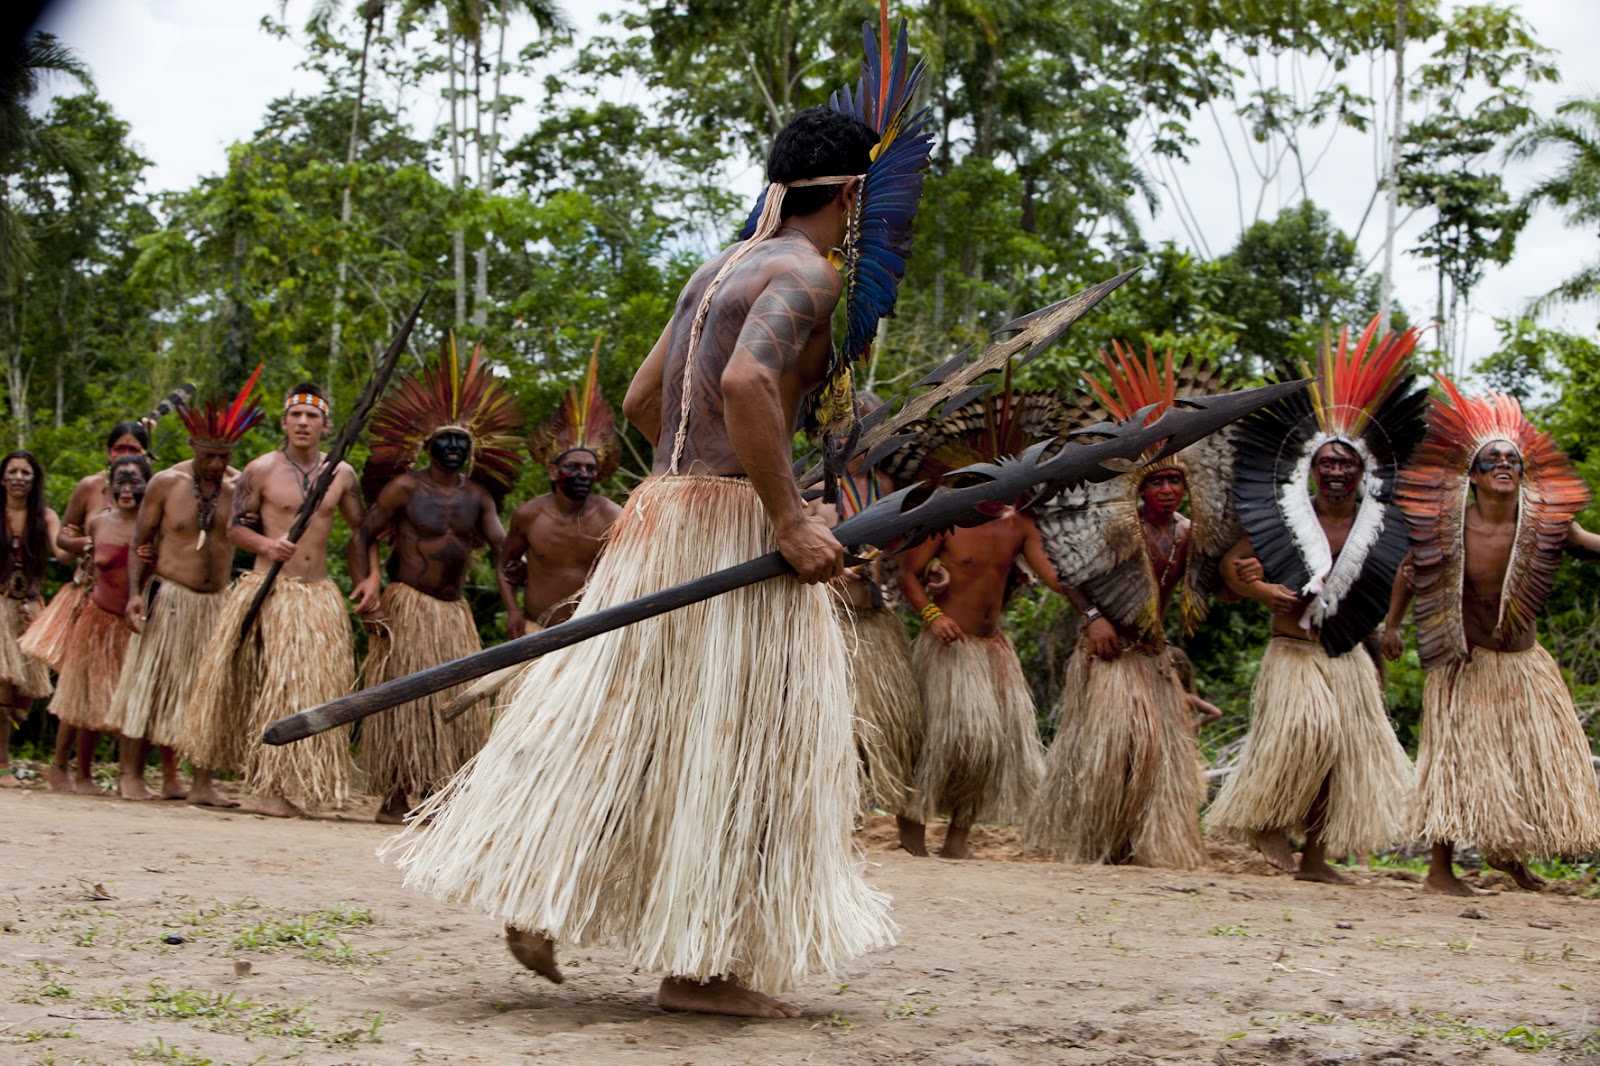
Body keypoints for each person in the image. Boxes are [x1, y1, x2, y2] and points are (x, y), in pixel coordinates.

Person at [385, 96, 927, 1017]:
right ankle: (705, 971)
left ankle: (537, 883)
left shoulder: (719, 267)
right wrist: (786, 513)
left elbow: (644, 400)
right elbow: (749, 380)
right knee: (745, 735)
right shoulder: (808, 273)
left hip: (663, 511)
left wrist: (703, 477)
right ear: (852, 193)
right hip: (729, 521)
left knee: (639, 722)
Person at [1207, 319, 1426, 883]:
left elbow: (1401, 570)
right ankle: (1266, 820)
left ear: (1362, 472)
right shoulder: (1284, 514)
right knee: (1309, 734)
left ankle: (1315, 858)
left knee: (1347, 756)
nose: (1336, 472)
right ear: (1312, 467)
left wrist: (1396, 624)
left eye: (1346, 465)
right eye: (1327, 463)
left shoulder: (1380, 524)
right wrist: (1261, 589)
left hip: (1346, 654)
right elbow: (1232, 565)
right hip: (1293, 652)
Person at [1384, 381, 1600, 896]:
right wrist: (1392, 624)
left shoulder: (1545, 523)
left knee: (1523, 765)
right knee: (1453, 763)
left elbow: (1592, 546)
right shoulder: (1447, 524)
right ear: (1473, 475)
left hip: (1523, 665)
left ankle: (1511, 859)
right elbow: (1409, 570)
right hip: (1465, 661)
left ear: (1523, 473)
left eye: (1512, 459)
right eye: (1492, 459)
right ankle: (1439, 870)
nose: (1504, 464)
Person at [1028, 346, 1234, 869]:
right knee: (1118, 750)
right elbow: (1069, 569)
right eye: (1157, 482)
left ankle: (1141, 841)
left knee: (1157, 756)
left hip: (1153, 655)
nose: (1167, 490)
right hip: (1109, 655)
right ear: (1139, 488)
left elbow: (1219, 583)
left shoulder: (1191, 534)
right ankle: (1103, 841)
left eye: (1175, 481)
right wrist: (1093, 618)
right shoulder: (1119, 527)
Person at [887, 389, 1066, 859]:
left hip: (992, 650)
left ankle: (958, 841)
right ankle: (912, 837)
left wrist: (1095, 575)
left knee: (989, 745)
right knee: (937, 744)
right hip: (947, 646)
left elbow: (1054, 577)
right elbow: (908, 576)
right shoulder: (945, 519)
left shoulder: (1019, 525)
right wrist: (931, 615)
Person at [185, 382, 378, 818]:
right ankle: (256, 787)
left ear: (326, 425)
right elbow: (235, 528)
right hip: (270, 591)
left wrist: (372, 578)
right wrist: (268, 546)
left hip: (317, 596)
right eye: (296, 415)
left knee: (301, 691)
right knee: (258, 685)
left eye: (312, 417)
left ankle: (286, 782)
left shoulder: (341, 474)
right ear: (285, 421)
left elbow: (360, 530)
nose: (303, 423)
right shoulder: (261, 470)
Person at [354, 344, 520, 825]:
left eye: (460, 442)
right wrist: (369, 583)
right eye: (444, 440)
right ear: (427, 446)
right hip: (407, 607)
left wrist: (520, 595)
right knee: (402, 703)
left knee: (452, 706)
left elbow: (502, 550)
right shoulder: (404, 488)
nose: (453, 448)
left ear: (472, 449)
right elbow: (364, 534)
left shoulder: (478, 496)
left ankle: (438, 792)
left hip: (452, 613)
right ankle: (393, 796)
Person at [105, 372, 262, 807]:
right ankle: (130, 775)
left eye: (224, 456)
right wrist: (136, 595)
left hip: (216, 603)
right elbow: (141, 542)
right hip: (170, 597)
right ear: (193, 447)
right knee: (148, 685)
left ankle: (201, 783)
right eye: (208, 455)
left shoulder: (240, 489)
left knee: (207, 693)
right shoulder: (166, 484)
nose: (215, 464)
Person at [42, 455, 151, 796]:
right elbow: (69, 547)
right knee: (80, 697)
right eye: (120, 481)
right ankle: (65, 769)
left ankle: (128, 775)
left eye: (135, 482)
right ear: (108, 486)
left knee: (128, 702)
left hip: (134, 625)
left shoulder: (153, 527)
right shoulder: (99, 524)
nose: (127, 489)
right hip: (97, 619)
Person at [502, 349, 622, 634]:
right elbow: (504, 568)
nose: (583, 475)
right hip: (536, 629)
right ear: (554, 471)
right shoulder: (528, 515)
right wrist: (513, 612)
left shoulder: (612, 517)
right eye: (574, 467)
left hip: (591, 636)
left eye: (589, 469)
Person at [22, 422, 149, 674]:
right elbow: (64, 537)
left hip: (139, 601)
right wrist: (84, 543)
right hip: (92, 593)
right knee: (83, 676)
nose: (124, 454)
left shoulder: (153, 489)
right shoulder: (90, 487)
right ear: (108, 450)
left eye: (132, 449)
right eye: (118, 448)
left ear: (144, 453)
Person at [0, 451, 69, 787]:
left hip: (28, 610)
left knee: (22, 690)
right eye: (12, 471)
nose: (18, 477)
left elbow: (62, 551)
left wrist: (87, 542)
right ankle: (2, 766)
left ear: (34, 479)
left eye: (25, 472)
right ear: (2, 479)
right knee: (1, 682)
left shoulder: (44, 516)